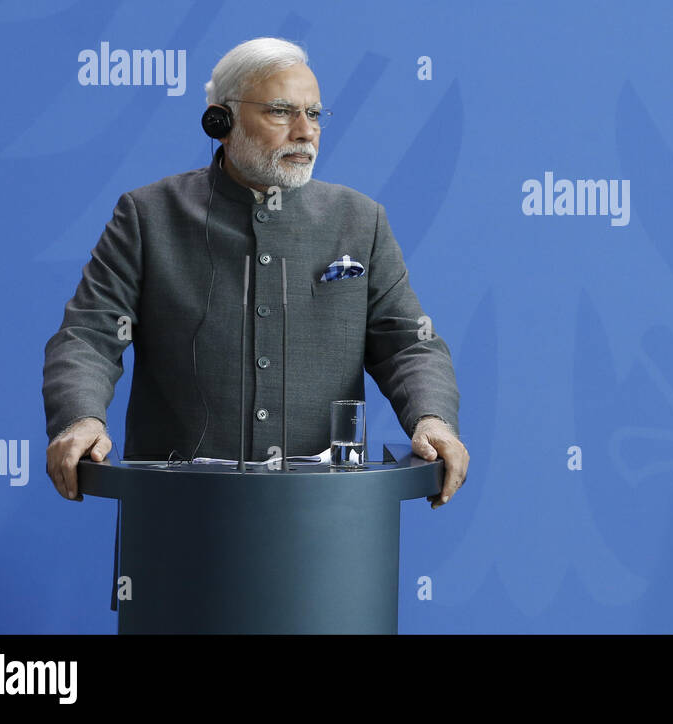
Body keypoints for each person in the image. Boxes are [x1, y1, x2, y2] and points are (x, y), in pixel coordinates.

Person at [44, 37, 468, 507]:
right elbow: (88, 335)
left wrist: (432, 419)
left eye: (315, 114)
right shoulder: (148, 217)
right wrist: (81, 419)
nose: (305, 131)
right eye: (281, 112)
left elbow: (408, 343)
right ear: (220, 121)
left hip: (327, 515)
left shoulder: (359, 220)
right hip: (179, 510)